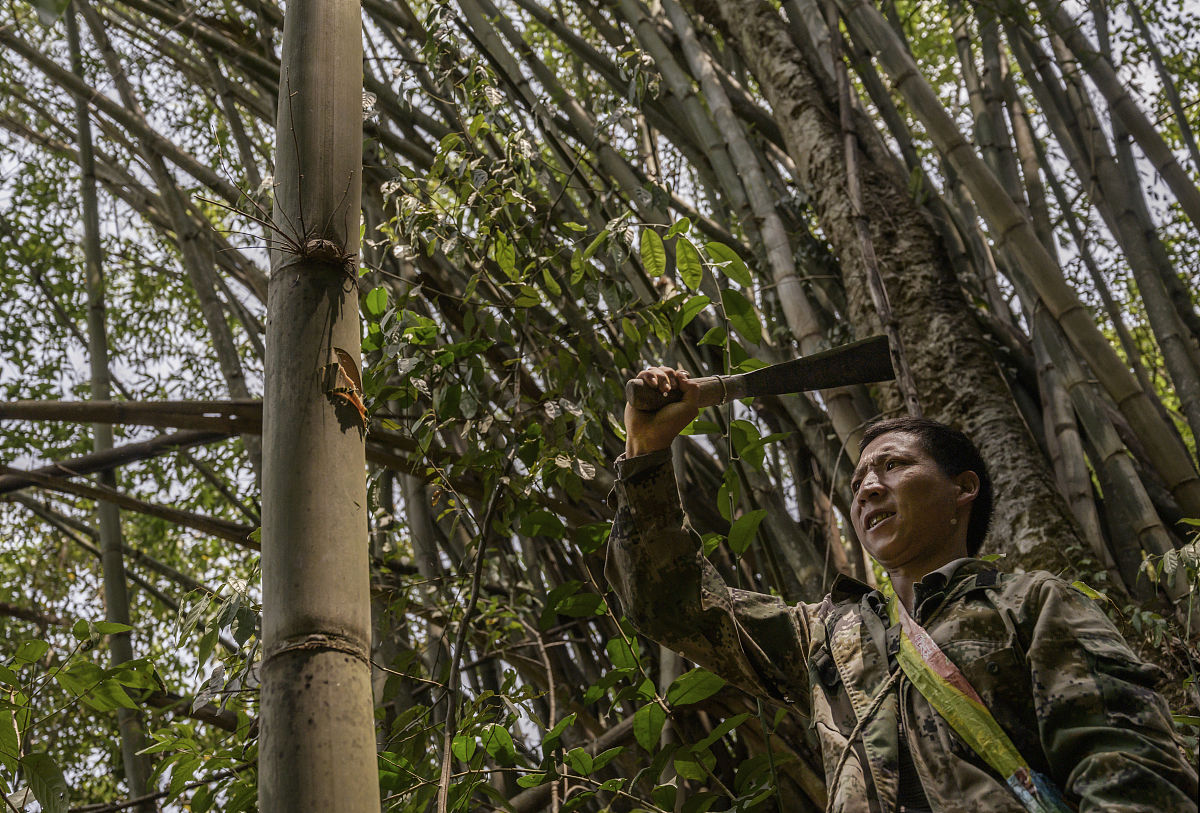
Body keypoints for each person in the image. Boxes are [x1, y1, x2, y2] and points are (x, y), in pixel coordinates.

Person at [607, 366, 1199, 813]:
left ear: (963, 489)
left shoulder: (1031, 602)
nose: (866, 488)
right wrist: (647, 452)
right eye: (860, 478)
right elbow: (676, 606)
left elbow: (1121, 759)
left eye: (891, 466)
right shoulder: (827, 635)